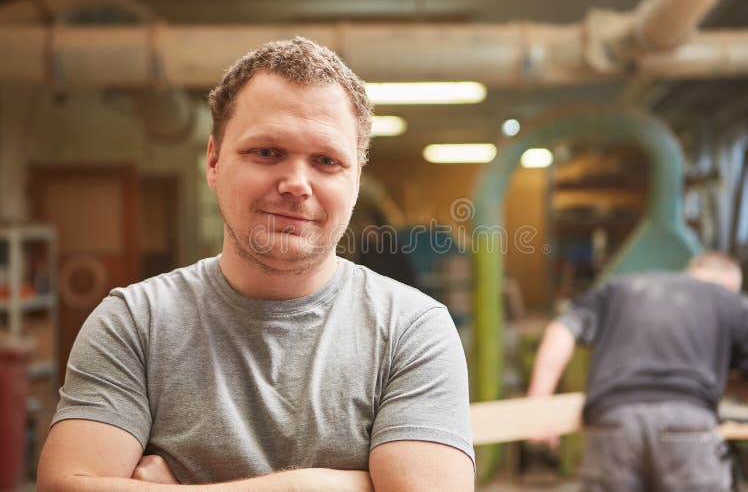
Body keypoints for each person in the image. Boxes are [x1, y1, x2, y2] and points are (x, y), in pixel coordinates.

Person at [38, 37, 475, 491]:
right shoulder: (135, 323)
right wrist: (338, 485)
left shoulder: (411, 330)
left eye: (326, 161)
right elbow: (65, 486)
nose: (296, 184)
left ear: (357, 180)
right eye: (267, 152)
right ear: (213, 160)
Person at [527, 252, 748, 491]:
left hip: (612, 423)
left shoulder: (623, 288)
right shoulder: (726, 298)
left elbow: (560, 330)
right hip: (687, 428)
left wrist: (538, 403)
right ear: (728, 284)